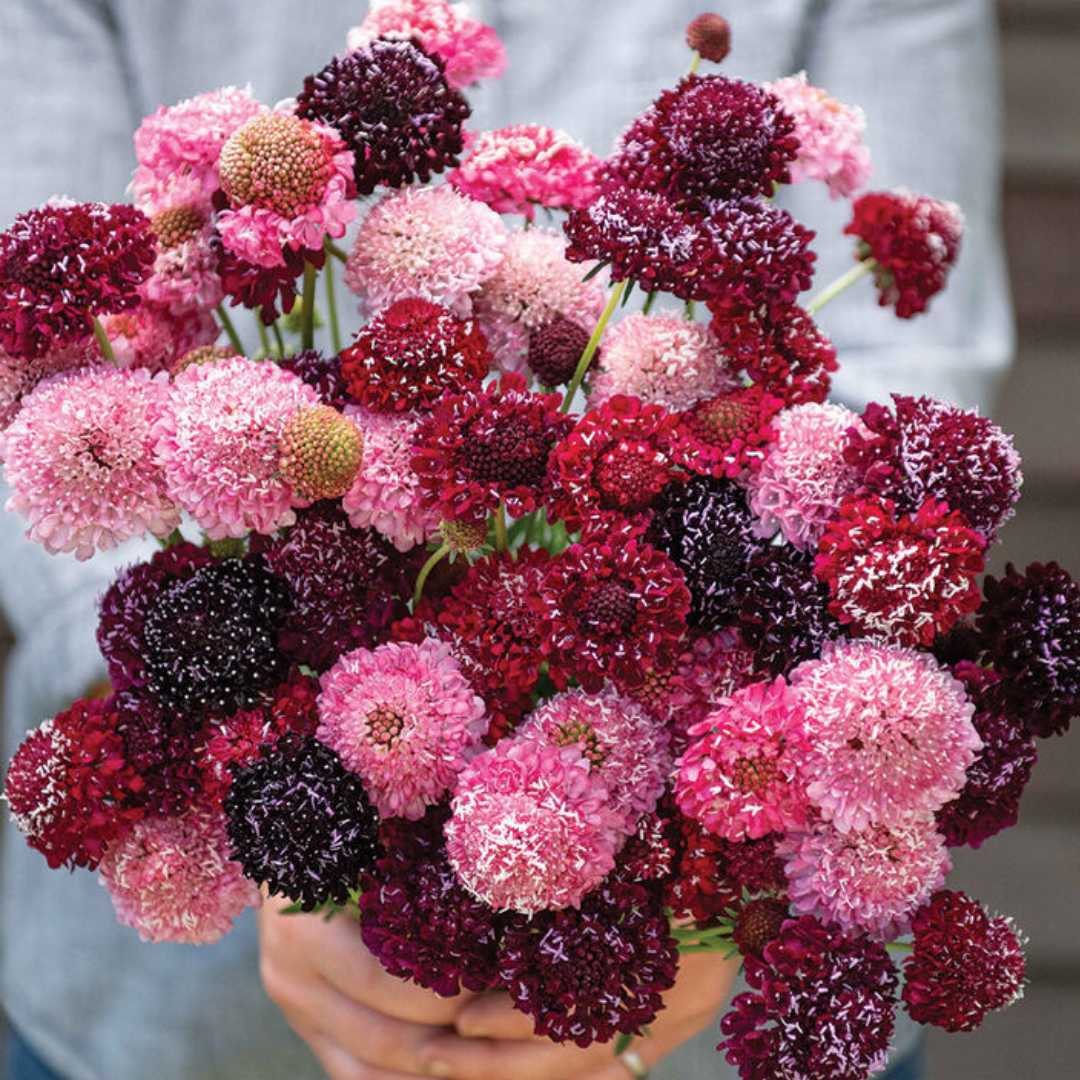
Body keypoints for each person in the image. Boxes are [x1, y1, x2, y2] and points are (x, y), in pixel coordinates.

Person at [0, 1, 1011, 1078]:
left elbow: (901, 413)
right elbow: (28, 365)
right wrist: (264, 812)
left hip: (697, 995)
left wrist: (715, 895)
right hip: (178, 1025)